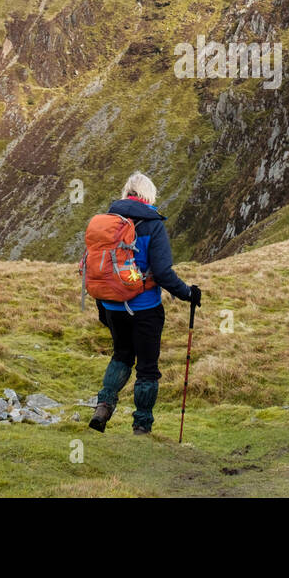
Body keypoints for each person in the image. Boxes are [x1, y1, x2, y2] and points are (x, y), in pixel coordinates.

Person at [88, 172, 201, 436]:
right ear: (148, 196)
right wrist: (188, 293)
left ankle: (103, 407)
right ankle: (142, 426)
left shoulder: (107, 221)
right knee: (147, 368)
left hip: (112, 305)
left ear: (127, 193)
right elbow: (162, 272)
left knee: (121, 356)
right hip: (144, 308)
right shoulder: (153, 224)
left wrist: (102, 307)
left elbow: (98, 268)